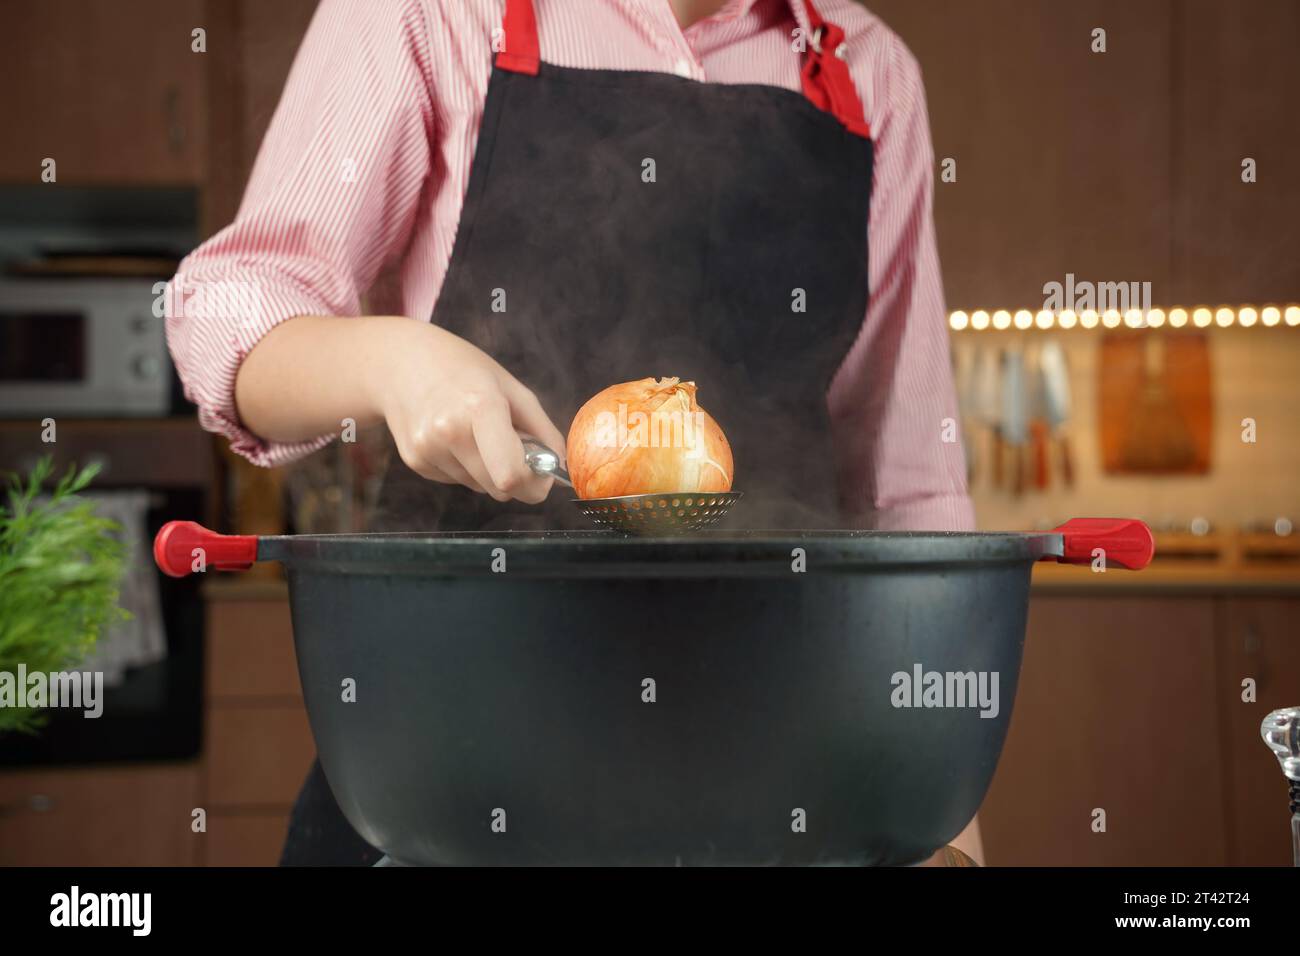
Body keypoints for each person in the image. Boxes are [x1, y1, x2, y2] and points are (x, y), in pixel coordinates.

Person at [166, 0, 981, 865]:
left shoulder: (866, 71)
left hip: (773, 775)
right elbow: (228, 308)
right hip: (447, 766)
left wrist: (946, 830)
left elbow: (909, 498)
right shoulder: (431, 11)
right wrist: (391, 360)